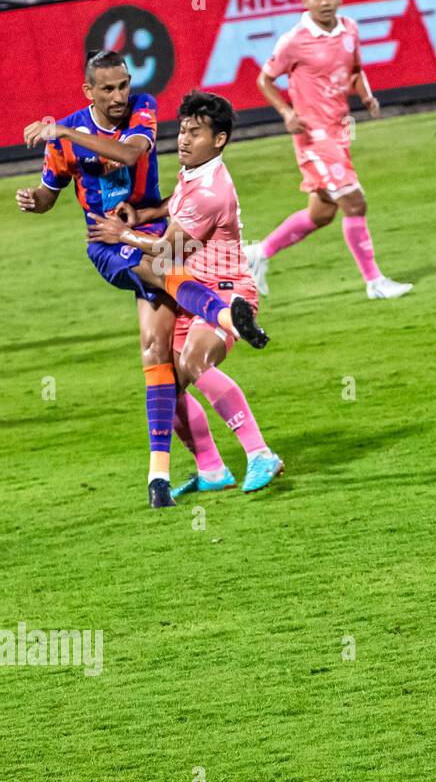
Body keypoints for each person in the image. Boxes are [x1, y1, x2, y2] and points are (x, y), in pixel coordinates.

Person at [16, 50, 266, 508]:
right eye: (107, 89)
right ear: (88, 91)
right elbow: (50, 193)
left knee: (164, 359)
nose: (119, 96)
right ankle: (225, 316)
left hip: (150, 237)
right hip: (113, 243)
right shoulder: (63, 139)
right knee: (165, 330)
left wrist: (67, 131)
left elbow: (131, 152)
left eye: (123, 85)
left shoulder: (141, 110)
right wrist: (33, 199)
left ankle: (203, 467)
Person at [88, 91, 284, 496]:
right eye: (182, 130)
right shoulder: (195, 171)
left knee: (195, 360)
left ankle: (260, 453)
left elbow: (170, 249)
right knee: (166, 386)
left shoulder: (212, 191)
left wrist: (122, 235)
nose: (183, 139)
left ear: (220, 140)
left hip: (225, 290)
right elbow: (176, 206)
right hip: (189, 291)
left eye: (195, 133)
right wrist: (144, 214)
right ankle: (211, 468)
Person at [244, 0, 412, 300]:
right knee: (355, 202)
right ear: (305, 0)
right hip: (313, 137)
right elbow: (264, 79)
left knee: (321, 213)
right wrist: (286, 112)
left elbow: (355, 70)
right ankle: (374, 282)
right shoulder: (294, 41)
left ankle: (257, 254)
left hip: (339, 131)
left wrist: (366, 96)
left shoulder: (349, 29)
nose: (324, 2)